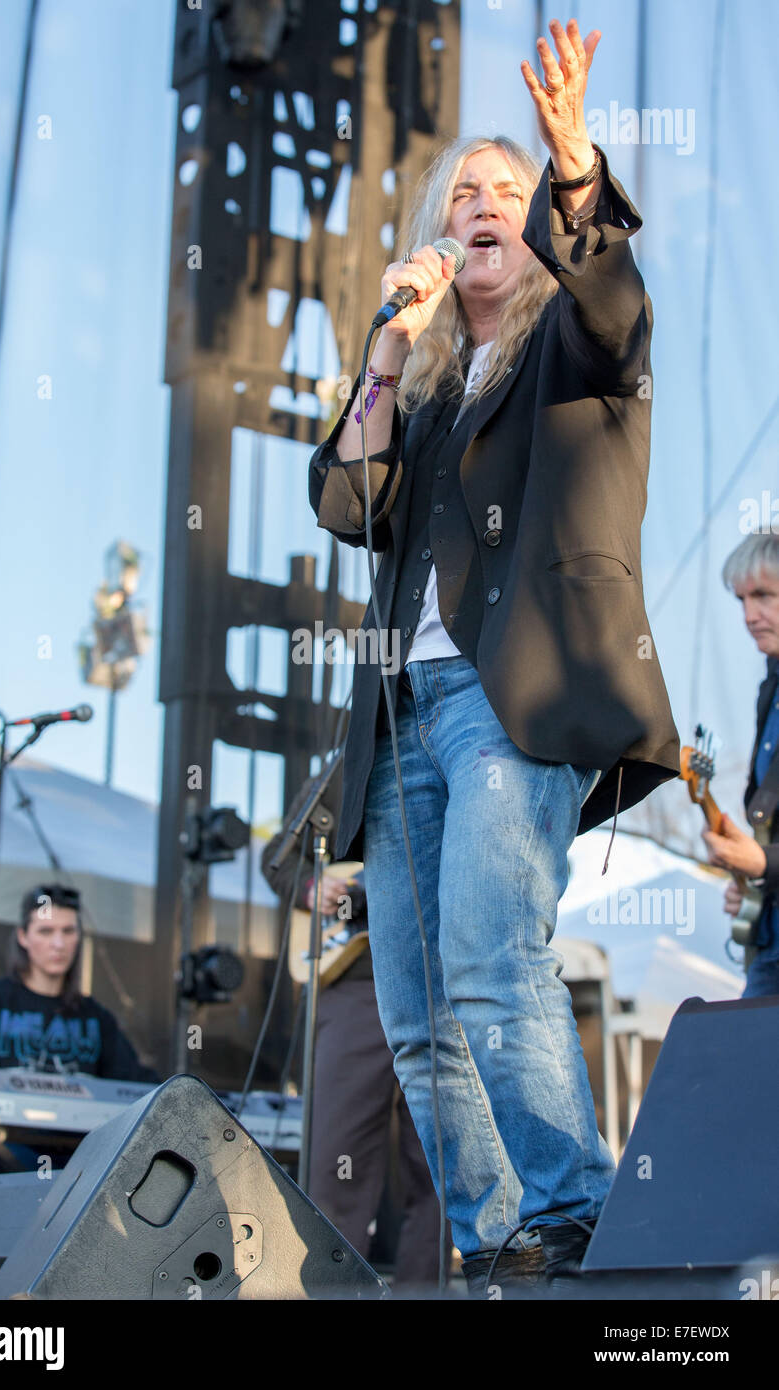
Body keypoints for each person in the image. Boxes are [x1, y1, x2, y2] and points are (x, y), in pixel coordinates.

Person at [307, 17, 680, 1296]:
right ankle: (494, 1237)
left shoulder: (565, 357)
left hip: (509, 697)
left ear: (531, 230)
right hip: (402, 717)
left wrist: (571, 161)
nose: (481, 204)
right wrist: (386, 349)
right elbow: (345, 502)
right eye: (461, 191)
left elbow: (614, 303)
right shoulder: (415, 385)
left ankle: (573, 1214)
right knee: (414, 1017)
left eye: (504, 190)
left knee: (486, 946)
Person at [261, 753, 449, 1290]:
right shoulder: (349, 760)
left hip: (441, 981)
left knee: (442, 1169)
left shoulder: (467, 738)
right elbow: (278, 858)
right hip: (355, 984)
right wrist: (310, 888)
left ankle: (422, 1292)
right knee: (334, 1161)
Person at [0, 883, 158, 1173]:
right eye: (46, 931)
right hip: (1, 1153)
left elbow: (134, 1085)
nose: (58, 944)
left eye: (68, 931)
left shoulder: (96, 1016)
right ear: (23, 937)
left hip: (80, 1160)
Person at [702, 533, 779, 996]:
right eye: (742, 600)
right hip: (768, 945)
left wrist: (764, 864)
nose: (749, 615)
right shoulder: (768, 693)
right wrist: (754, 882)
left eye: (764, 596)